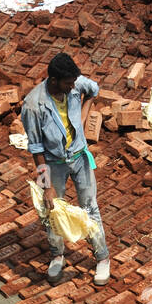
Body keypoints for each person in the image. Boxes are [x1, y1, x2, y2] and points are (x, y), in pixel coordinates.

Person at [20, 53, 110, 286]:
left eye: (74, 83)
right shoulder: (33, 105)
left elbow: (93, 89)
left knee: (90, 206)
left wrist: (82, 116)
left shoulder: (74, 84)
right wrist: (46, 186)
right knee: (51, 210)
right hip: (51, 163)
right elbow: (36, 149)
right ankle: (57, 256)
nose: (73, 87)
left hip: (80, 157)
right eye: (69, 84)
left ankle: (102, 258)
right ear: (53, 80)